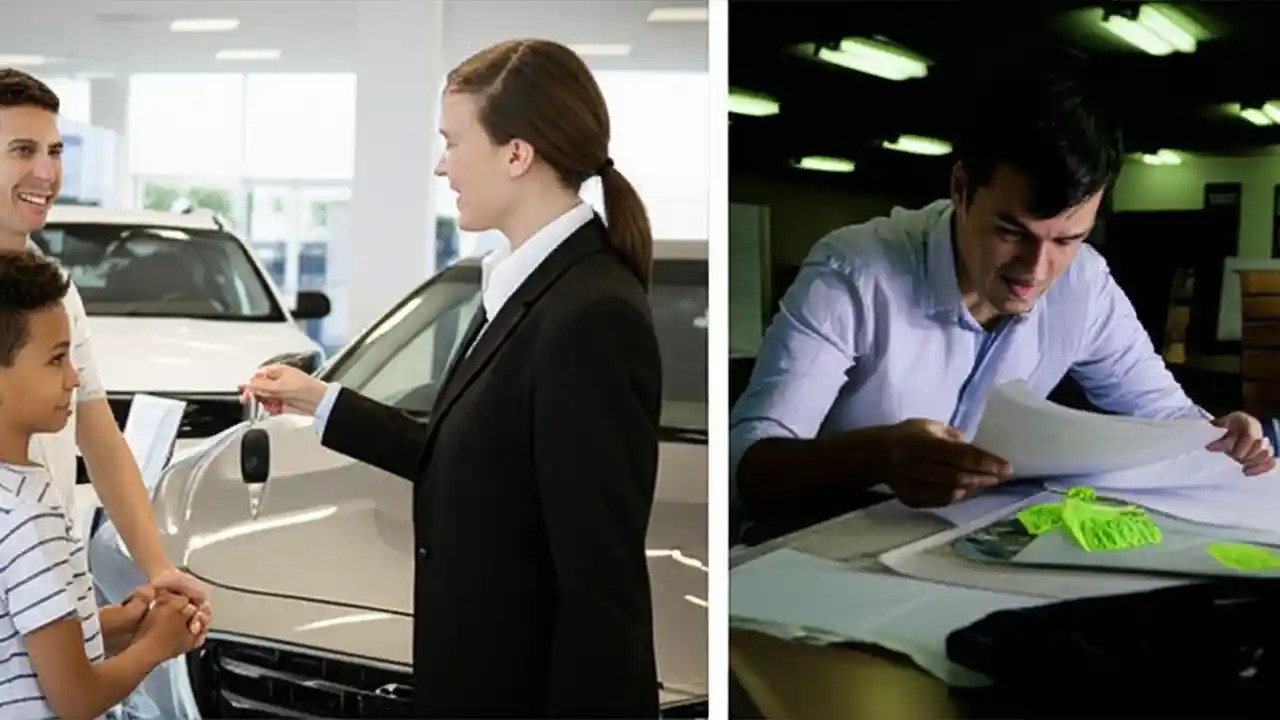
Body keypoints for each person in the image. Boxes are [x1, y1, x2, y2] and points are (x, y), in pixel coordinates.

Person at [242, 39, 662, 718]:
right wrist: (320, 402)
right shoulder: (520, 285)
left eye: (453, 140)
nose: (442, 165)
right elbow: (466, 459)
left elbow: (600, 585)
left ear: (517, 154)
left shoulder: (591, 314)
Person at [730, 71, 1274, 517]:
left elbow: (1165, 416)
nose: (1035, 270)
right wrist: (876, 456)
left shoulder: (1085, 283)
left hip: (958, 542)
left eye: (1067, 238)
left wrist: (1223, 434)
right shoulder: (855, 270)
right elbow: (746, 466)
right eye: (1012, 232)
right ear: (962, 189)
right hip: (821, 542)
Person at [0, 69, 211, 633]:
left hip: (46, 564)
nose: (46, 172)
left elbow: (98, 431)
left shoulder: (53, 287)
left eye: (54, 151)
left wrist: (157, 566)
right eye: (22, 150)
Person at [0, 250, 201, 719]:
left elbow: (22, 642)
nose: (74, 378)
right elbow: (74, 698)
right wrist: (156, 645)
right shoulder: (28, 514)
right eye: (56, 360)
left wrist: (116, 624)